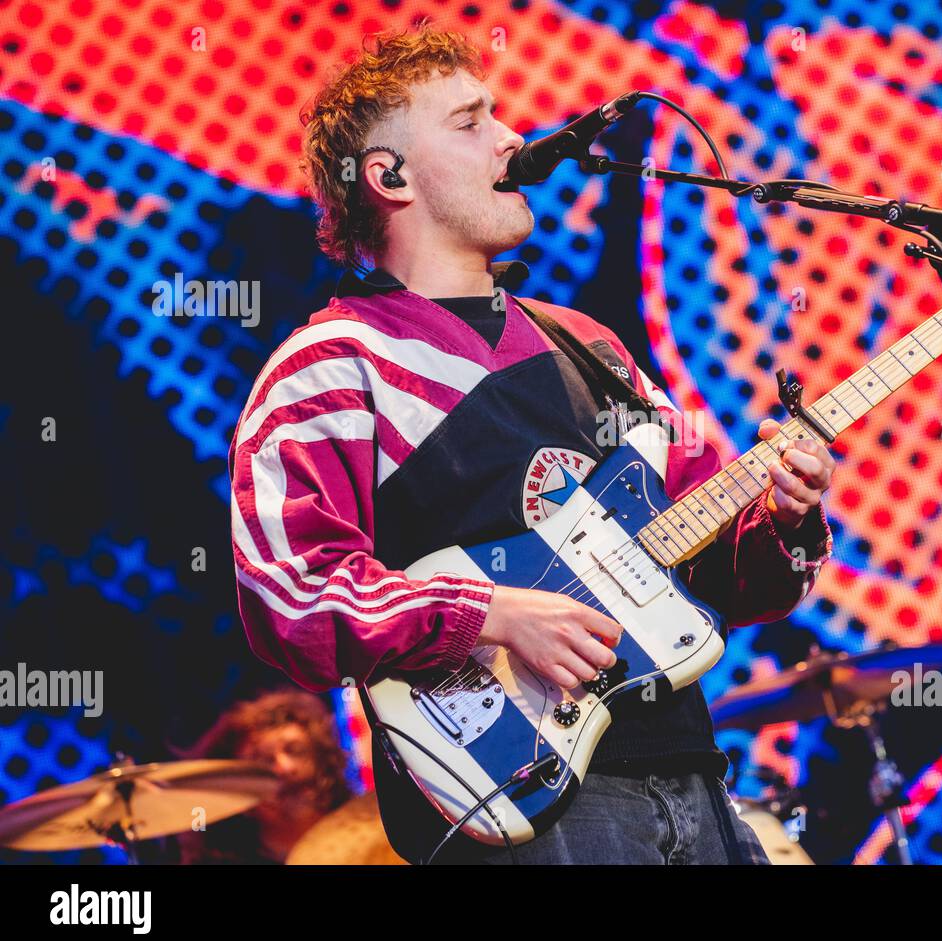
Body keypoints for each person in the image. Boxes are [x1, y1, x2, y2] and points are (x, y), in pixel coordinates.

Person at [230, 22, 836, 864]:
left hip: (695, 780)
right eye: (471, 121)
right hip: (519, 804)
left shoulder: (592, 344)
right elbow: (290, 599)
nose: (513, 136)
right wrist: (492, 613)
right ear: (389, 175)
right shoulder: (330, 367)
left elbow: (727, 576)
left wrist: (783, 514)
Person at [178, 689, 351, 864]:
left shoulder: (366, 827)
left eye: (295, 750)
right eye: (264, 761)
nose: (284, 768)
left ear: (322, 757)